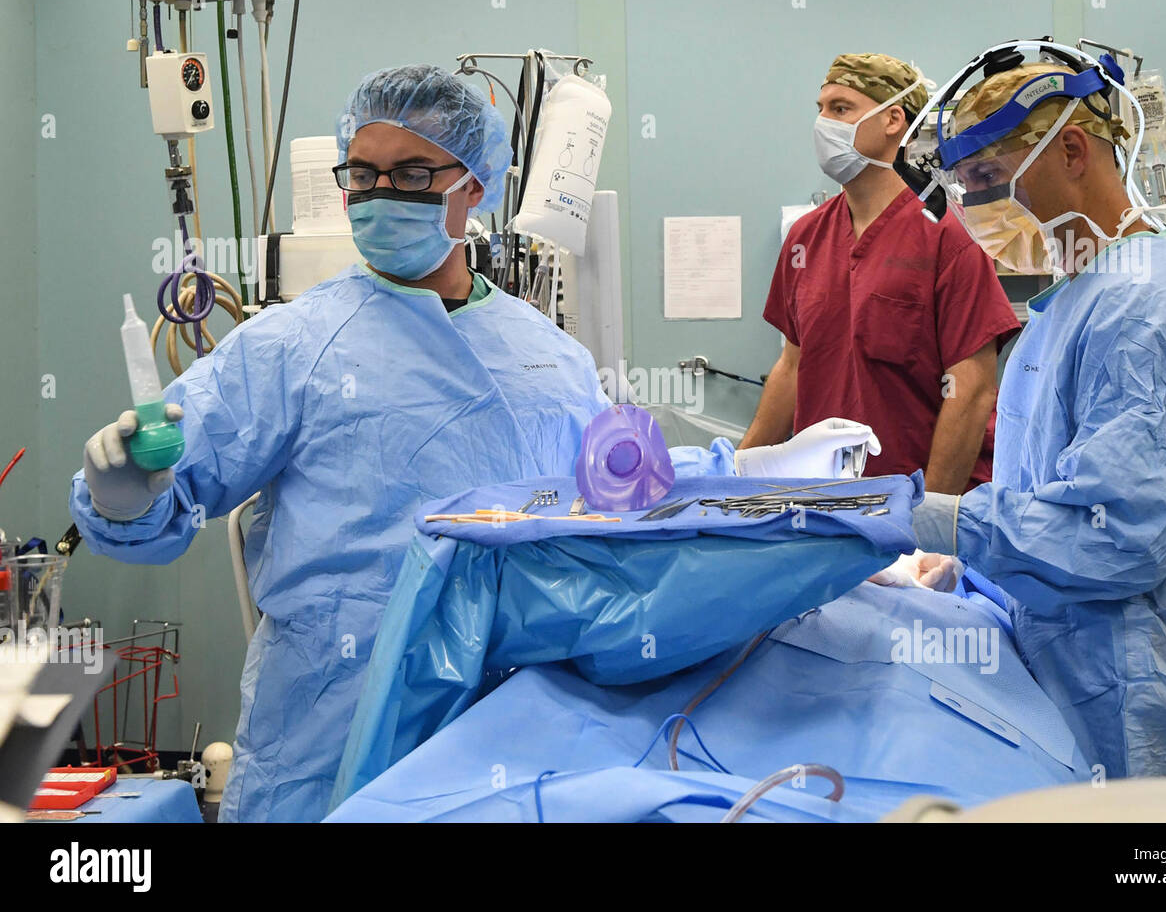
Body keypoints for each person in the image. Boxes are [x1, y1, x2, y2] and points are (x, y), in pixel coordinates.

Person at [71, 64, 879, 821]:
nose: (381, 196)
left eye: (414, 175)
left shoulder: (548, 352)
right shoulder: (287, 344)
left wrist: (759, 470)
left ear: (474, 188)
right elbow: (162, 502)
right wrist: (122, 491)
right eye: (363, 174)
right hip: (328, 721)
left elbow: (629, 493)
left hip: (508, 718)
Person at [905, 42, 1166, 781]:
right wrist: (972, 563)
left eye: (987, 177)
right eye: (964, 188)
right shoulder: (1076, 303)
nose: (977, 208)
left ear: (1074, 151)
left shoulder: (1149, 304)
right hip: (1102, 688)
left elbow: (1116, 534)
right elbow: (1055, 498)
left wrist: (929, 516)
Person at [739, 53, 1022, 493]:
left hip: (912, 502)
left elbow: (971, 391)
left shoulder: (949, 236)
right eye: (820, 109)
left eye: (840, 108)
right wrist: (737, 478)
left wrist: (931, 521)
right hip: (825, 503)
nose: (823, 124)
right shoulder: (805, 238)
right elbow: (792, 368)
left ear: (893, 120)